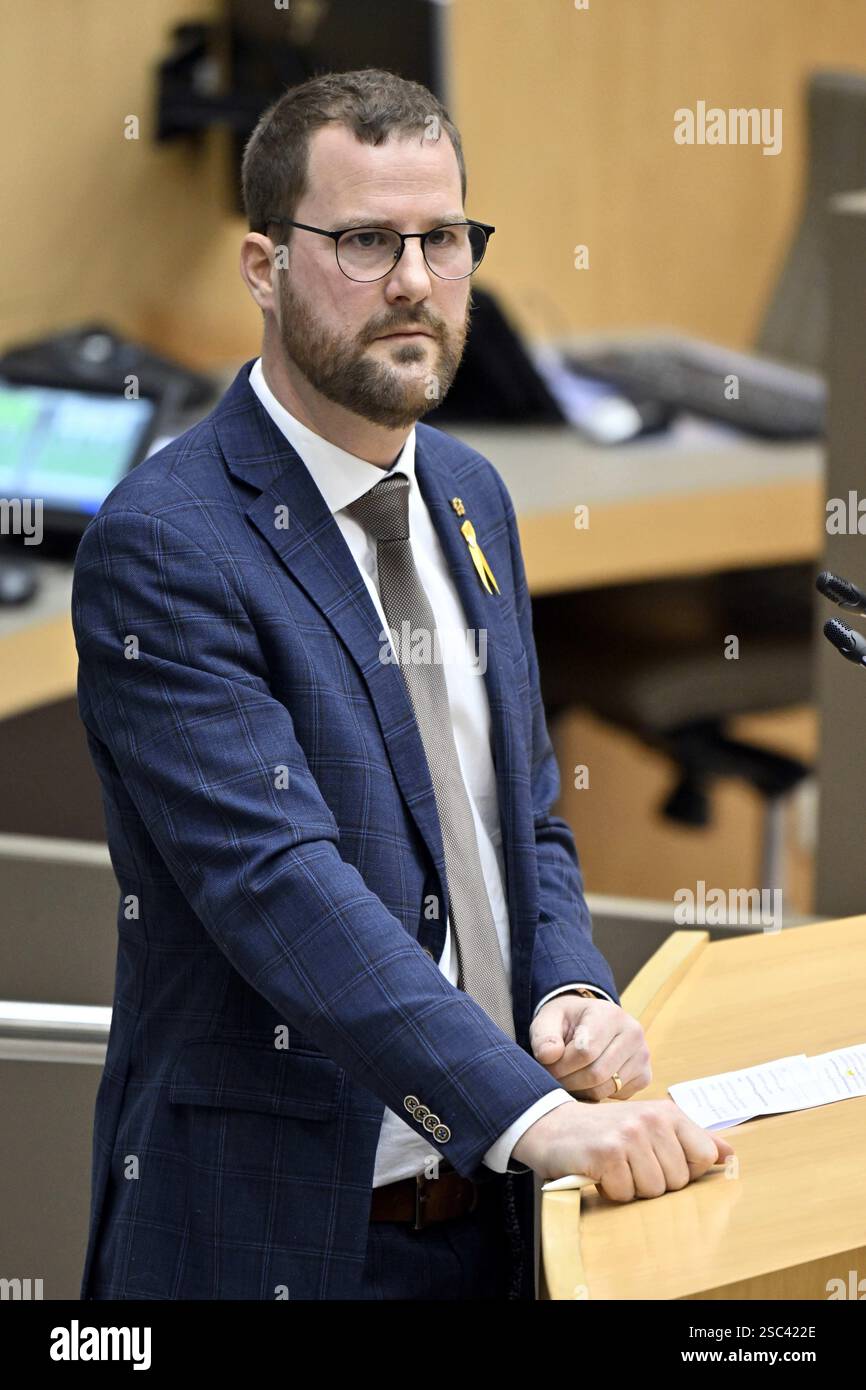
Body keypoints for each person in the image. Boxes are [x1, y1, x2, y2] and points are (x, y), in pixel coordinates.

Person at [72, 67, 733, 1302]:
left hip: (500, 1222)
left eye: (442, 239)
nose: (415, 282)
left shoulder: (471, 495)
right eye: (366, 241)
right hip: (284, 1234)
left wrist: (571, 988)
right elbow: (279, 889)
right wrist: (530, 1113)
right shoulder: (167, 546)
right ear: (263, 267)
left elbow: (518, 815)